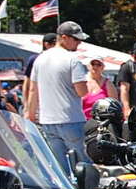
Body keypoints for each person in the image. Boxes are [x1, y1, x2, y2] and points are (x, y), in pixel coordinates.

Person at [27, 21, 90, 172]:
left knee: (60, 170)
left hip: (47, 120)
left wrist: (30, 115)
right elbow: (82, 91)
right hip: (71, 119)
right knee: (83, 166)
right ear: (64, 38)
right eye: (76, 39)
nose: (79, 43)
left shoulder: (39, 59)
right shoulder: (72, 60)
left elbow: (33, 90)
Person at [22, 32, 56, 108]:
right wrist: (26, 106)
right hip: (37, 102)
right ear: (46, 45)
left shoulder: (62, 60)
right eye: (54, 44)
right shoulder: (35, 59)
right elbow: (27, 83)